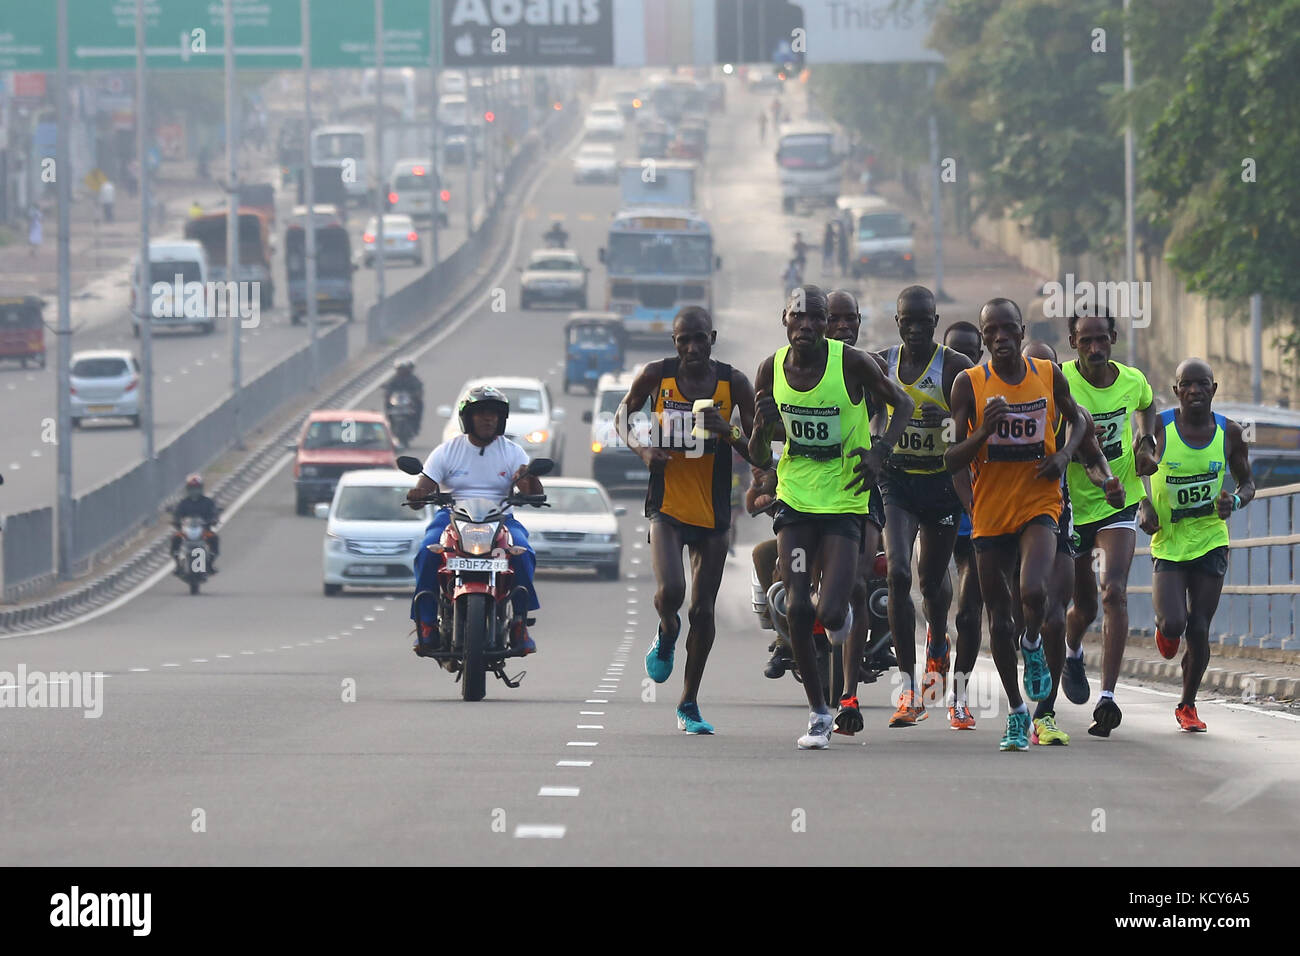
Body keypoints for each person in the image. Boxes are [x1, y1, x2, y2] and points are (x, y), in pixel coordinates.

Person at [750, 284, 914, 749]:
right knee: (798, 606)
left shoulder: (853, 364)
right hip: (797, 501)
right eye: (797, 318)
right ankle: (819, 712)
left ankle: (840, 625)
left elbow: (901, 404)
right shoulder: (770, 369)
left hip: (845, 500)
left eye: (815, 319)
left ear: (826, 323)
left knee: (833, 609)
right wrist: (761, 428)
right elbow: (759, 452)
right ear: (784, 320)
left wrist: (880, 451)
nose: (806, 326)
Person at [944, 298, 1088, 752]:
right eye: (993, 332)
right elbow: (950, 457)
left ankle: (1033, 642)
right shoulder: (969, 384)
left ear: (1022, 331)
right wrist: (983, 431)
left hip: (1038, 503)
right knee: (997, 622)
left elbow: (1079, 418)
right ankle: (1017, 713)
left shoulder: (1047, 375)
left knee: (1033, 594)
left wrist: (1064, 456)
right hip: (990, 513)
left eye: (1009, 329)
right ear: (983, 339)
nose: (1001, 338)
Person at [618, 307, 756, 735]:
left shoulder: (734, 383)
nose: (692, 348)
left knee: (702, 608)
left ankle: (689, 702)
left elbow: (760, 451)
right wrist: (643, 451)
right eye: (684, 340)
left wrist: (728, 431)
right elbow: (622, 417)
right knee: (672, 592)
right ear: (674, 342)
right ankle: (664, 632)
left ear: (712, 337)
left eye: (700, 339)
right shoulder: (656, 376)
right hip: (668, 504)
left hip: (714, 509)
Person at [873, 286, 973, 728]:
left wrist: (948, 422)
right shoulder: (880, 364)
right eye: (907, 321)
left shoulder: (955, 368)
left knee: (933, 584)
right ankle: (910, 691)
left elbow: (975, 430)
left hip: (940, 484)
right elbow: (857, 409)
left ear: (935, 322)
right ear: (897, 322)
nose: (915, 329)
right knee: (897, 572)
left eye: (923, 322)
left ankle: (937, 639)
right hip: (897, 480)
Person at [1020, 341, 1126, 746]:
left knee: (1053, 611)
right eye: (1033, 370)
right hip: (1002, 522)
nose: (1040, 379)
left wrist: (1107, 483)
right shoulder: (996, 406)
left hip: (1053, 520)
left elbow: (1096, 460)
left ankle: (1043, 714)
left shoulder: (1072, 416)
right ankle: (1026, 653)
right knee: (1018, 614)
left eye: (1049, 372)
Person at [1140, 358, 1254, 733]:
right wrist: (1143, 505)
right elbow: (1133, 467)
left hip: (1210, 538)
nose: (1195, 391)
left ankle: (1187, 704)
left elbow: (1247, 483)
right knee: (1174, 623)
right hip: (1169, 540)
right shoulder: (1160, 427)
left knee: (1200, 628)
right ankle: (1165, 630)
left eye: (1203, 384)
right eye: (1187, 385)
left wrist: (1234, 501)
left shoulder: (1230, 433)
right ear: (1176, 391)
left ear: (1214, 389)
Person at [1061, 309, 1158, 737]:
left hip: (1119, 498)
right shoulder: (1060, 379)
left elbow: (1149, 405)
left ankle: (1108, 698)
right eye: (1087, 341)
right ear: (1073, 343)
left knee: (1113, 591)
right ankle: (1071, 649)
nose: (1096, 349)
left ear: (1114, 338)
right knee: (1082, 605)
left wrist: (1146, 439)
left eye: (1103, 340)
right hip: (1071, 502)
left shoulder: (1132, 380)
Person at [407, 386, 542, 658]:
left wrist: (528, 479)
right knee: (427, 550)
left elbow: (534, 493)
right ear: (467, 418)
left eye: (493, 414)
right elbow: (424, 485)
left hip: (501, 517)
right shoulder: (447, 451)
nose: (488, 419)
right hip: (452, 517)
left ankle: (519, 623)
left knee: (523, 552)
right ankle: (426, 624)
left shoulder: (514, 452)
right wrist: (417, 494)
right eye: (481, 413)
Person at [941, 320, 984, 729]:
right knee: (935, 595)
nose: (964, 361)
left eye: (973, 353)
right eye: (956, 353)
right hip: (934, 511)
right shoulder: (928, 396)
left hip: (977, 518)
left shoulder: (993, 396)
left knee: (970, 612)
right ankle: (935, 643)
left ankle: (959, 694)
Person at [171, 474, 220, 572]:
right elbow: (177, 514)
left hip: (204, 530)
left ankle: (210, 563)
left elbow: (214, 512)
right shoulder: (183, 503)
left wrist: (214, 520)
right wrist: (176, 521)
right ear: (188, 489)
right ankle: (178, 564)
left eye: (196, 488)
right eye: (192, 489)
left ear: (201, 489)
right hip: (187, 530)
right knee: (175, 538)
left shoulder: (208, 502)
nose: (194, 491)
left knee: (214, 538)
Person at [382, 358, 425, 435]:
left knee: (419, 405)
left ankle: (416, 426)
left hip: (410, 401)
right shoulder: (394, 379)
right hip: (397, 400)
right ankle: (389, 423)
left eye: (405, 369)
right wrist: (387, 394)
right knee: (387, 404)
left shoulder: (413, 379)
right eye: (401, 369)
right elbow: (389, 387)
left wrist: (416, 395)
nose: (403, 371)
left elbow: (418, 387)